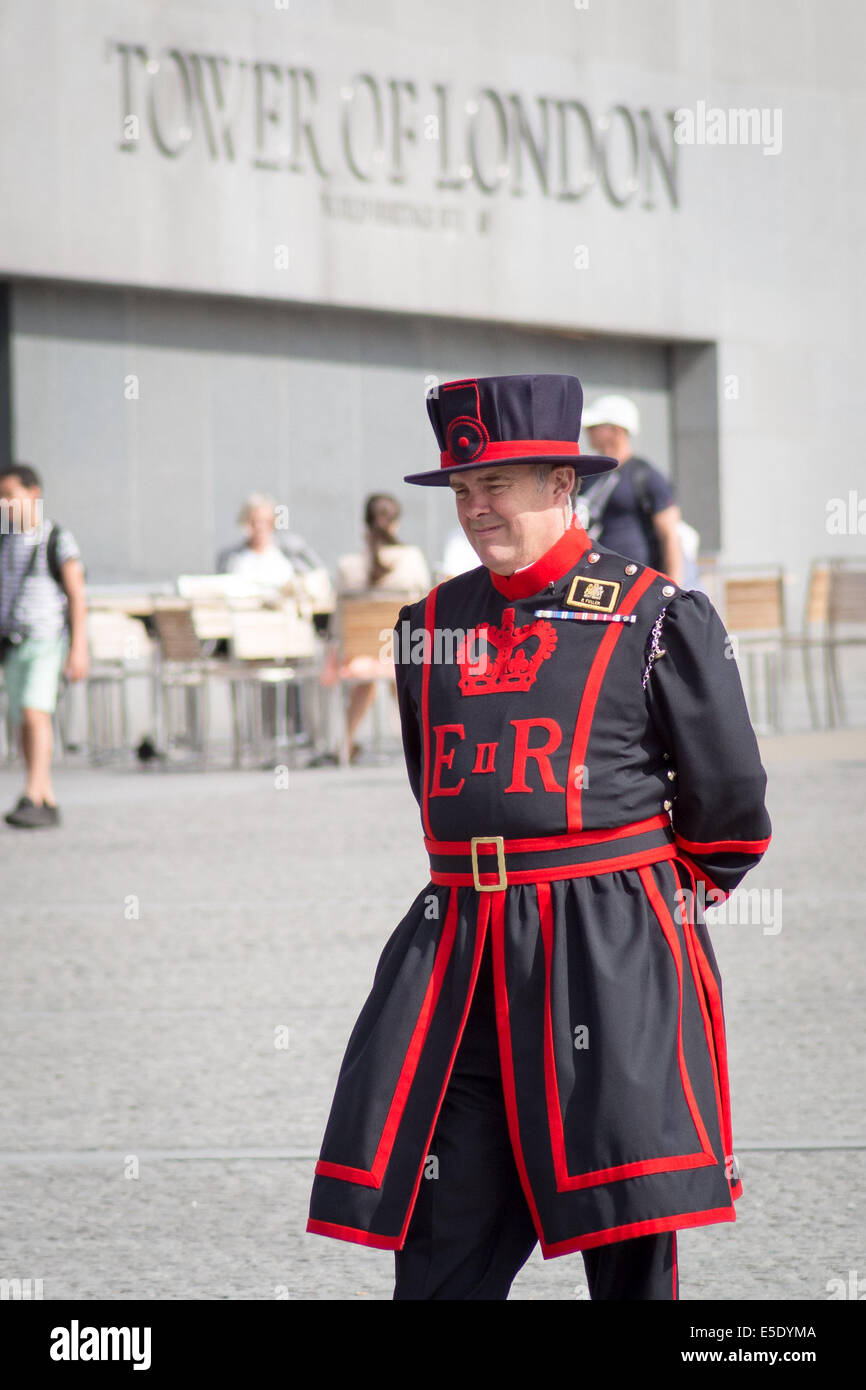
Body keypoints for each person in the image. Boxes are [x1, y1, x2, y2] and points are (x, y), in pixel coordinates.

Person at [307, 374, 771, 1300]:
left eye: (499, 486)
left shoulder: (657, 616)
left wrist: (639, 910)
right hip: (462, 961)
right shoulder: (425, 629)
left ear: (562, 485)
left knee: (629, 1245)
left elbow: (732, 809)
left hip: (611, 954)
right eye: (465, 489)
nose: (478, 509)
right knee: (438, 1255)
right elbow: (437, 787)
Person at [0, 464, 88, 827]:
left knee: (36, 712)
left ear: (33, 493)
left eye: (9, 495)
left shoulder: (55, 538)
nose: (4, 504)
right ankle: (45, 796)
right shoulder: (5, 539)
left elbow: (77, 595)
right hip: (12, 641)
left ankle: (32, 793)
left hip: (46, 638)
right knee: (22, 716)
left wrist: (78, 647)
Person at [334, 493, 430, 761]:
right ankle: (419, 742)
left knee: (370, 670)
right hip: (404, 653)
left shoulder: (347, 565)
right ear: (396, 523)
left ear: (365, 524)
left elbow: (336, 620)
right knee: (396, 663)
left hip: (358, 657)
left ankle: (345, 744)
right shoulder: (412, 559)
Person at [578, 394, 685, 585]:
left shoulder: (646, 476)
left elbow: (670, 535)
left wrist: (673, 589)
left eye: (595, 427)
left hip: (636, 584)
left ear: (616, 430)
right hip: (593, 580)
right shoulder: (589, 475)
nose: (588, 431)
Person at [217, 494, 325, 598]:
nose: (260, 527)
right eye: (254, 522)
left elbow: (318, 578)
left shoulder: (292, 551)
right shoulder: (232, 558)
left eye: (265, 522)